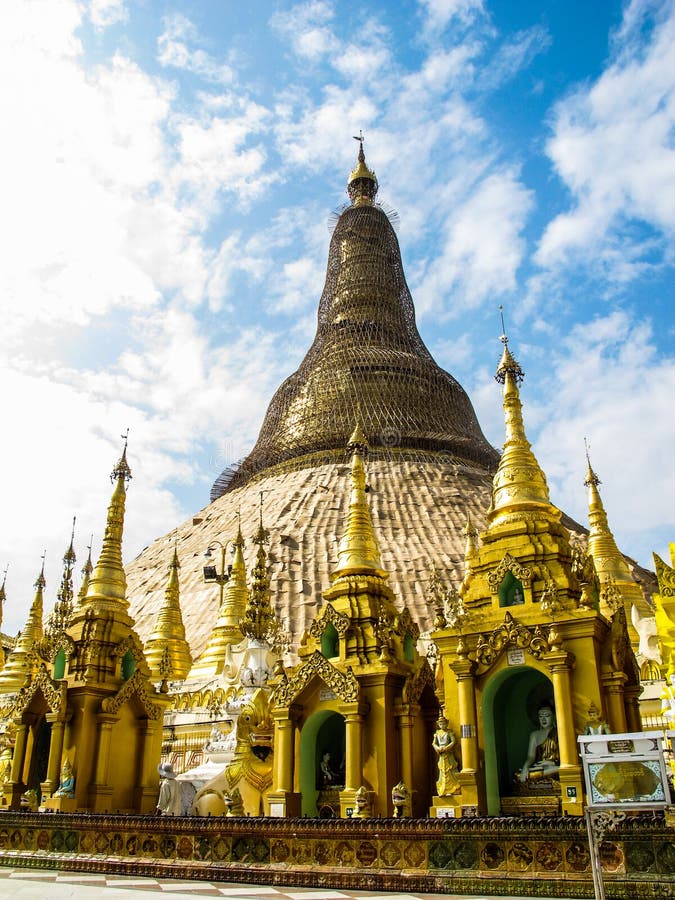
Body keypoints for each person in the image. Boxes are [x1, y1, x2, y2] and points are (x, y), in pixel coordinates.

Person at [519, 704, 560, 782]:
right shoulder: (534, 735)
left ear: (554, 717)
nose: (543, 719)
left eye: (547, 716)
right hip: (540, 767)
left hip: (554, 767)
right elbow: (530, 757)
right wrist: (525, 767)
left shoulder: (560, 732)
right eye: (540, 716)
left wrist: (552, 763)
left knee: (560, 769)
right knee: (518, 775)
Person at [432, 714, 460, 796]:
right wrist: (437, 748)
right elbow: (433, 743)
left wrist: (447, 748)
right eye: (440, 724)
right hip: (441, 754)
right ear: (438, 725)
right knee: (442, 770)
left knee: (450, 769)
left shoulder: (449, 732)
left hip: (448, 753)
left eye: (443, 723)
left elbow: (453, 741)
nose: (442, 725)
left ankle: (453, 788)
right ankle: (442, 789)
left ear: (446, 724)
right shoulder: (437, 733)